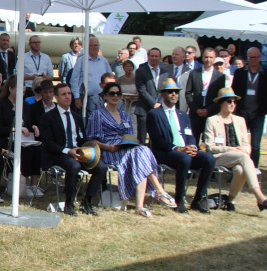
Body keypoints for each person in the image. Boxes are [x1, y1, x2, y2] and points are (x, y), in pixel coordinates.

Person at [85, 80, 173, 218]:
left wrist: (130, 143)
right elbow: (91, 139)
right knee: (141, 153)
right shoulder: (97, 114)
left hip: (127, 148)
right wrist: (108, 146)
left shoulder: (125, 115)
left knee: (141, 151)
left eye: (118, 94)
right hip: (109, 151)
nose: (115, 96)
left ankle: (140, 205)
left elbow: (130, 136)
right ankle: (158, 191)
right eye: (112, 93)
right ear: (105, 96)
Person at [146, 78, 216, 213]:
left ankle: (198, 200)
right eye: (170, 91)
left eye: (176, 92)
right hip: (165, 152)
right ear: (163, 94)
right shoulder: (154, 114)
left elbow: (190, 135)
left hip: (184, 151)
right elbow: (157, 139)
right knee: (184, 159)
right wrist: (178, 149)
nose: (174, 94)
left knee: (209, 159)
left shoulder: (183, 114)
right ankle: (179, 200)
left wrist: (192, 147)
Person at [38, 81, 107, 215]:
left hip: (78, 152)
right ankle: (69, 203)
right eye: (64, 94)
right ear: (56, 98)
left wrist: (87, 150)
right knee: (74, 166)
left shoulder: (76, 117)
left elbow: (83, 138)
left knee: (101, 167)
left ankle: (87, 201)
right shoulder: (48, 117)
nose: (68, 97)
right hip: (58, 154)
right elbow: (48, 143)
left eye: (69, 93)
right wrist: (68, 151)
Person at [203, 87, 267, 211]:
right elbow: (210, 147)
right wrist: (231, 149)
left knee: (240, 170)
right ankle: (259, 196)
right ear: (221, 103)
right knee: (243, 157)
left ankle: (230, 200)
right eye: (229, 101)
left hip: (239, 158)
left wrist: (245, 150)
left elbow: (246, 144)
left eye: (234, 101)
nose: (232, 104)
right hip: (219, 157)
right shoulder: (212, 120)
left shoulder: (240, 121)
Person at [0, 77, 43, 197]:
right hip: (5, 139)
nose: (22, 94)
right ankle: (22, 183)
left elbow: (27, 124)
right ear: (10, 89)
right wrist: (15, 129)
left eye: (24, 92)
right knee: (27, 151)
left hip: (22, 139)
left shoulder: (25, 105)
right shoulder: (1, 104)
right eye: (19, 91)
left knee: (38, 149)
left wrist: (34, 127)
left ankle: (33, 184)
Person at [230, 47, 267, 168]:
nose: (253, 60)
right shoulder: (240, 73)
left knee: (255, 145)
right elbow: (233, 92)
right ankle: (237, 169)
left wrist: (263, 111)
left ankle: (253, 169)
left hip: (258, 114)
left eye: (255, 57)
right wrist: (236, 110)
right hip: (242, 114)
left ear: (260, 58)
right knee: (239, 143)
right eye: (250, 57)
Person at [184, 48, 227, 142]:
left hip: (211, 114)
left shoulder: (220, 76)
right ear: (202, 58)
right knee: (193, 141)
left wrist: (209, 110)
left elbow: (221, 97)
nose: (208, 59)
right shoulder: (194, 73)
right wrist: (196, 109)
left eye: (211, 57)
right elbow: (188, 93)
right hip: (196, 114)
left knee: (209, 141)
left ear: (214, 58)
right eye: (206, 57)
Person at [133, 48, 172, 146]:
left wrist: (159, 103)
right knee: (142, 138)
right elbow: (141, 89)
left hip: (160, 108)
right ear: (148, 57)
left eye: (156, 56)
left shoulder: (165, 72)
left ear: (160, 58)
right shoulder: (141, 71)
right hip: (144, 109)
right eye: (152, 56)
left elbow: (166, 89)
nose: (154, 58)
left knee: (156, 137)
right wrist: (154, 103)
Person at [68, 37, 112, 114]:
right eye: (93, 45)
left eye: (97, 45)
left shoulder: (104, 61)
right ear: (87, 47)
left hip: (102, 98)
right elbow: (74, 80)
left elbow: (110, 78)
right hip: (86, 98)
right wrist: (77, 97)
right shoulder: (81, 60)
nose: (95, 48)